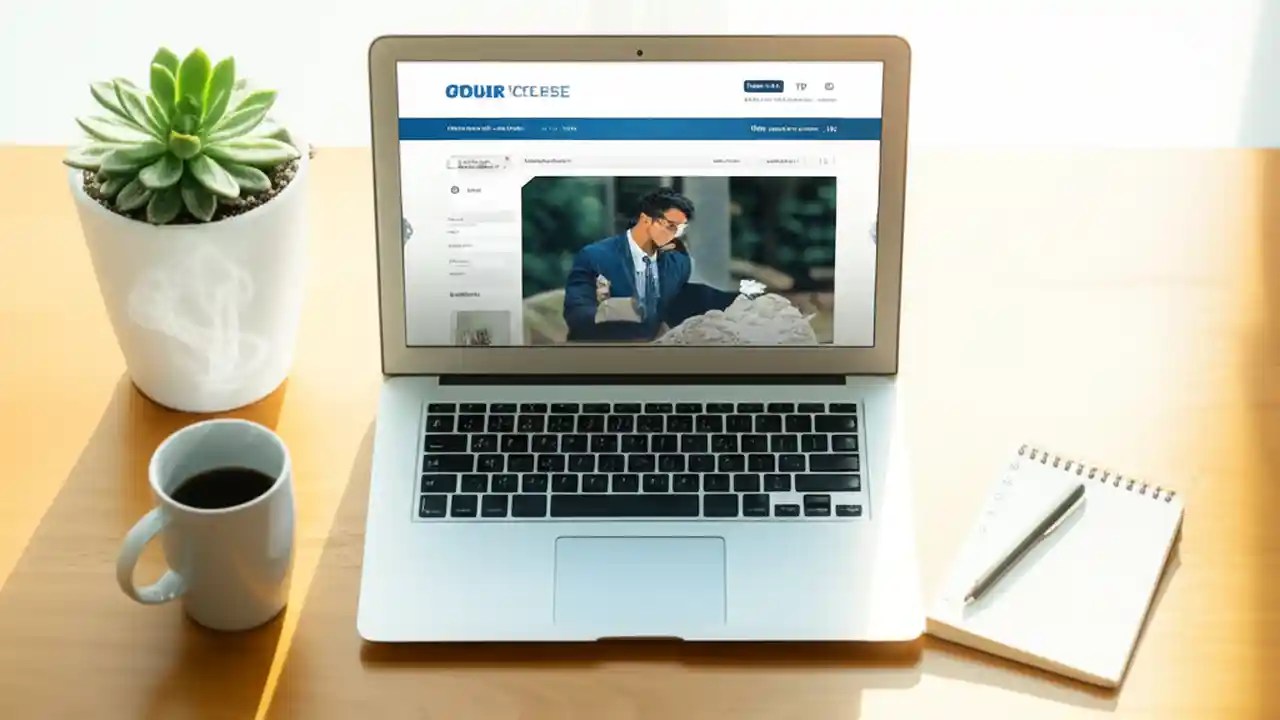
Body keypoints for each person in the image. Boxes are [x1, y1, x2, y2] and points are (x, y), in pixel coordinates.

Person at [562, 188, 697, 341]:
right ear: (646, 219)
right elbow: (575, 315)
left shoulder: (679, 263)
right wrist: (613, 310)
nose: (676, 235)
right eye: (671, 226)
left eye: (681, 229)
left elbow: (674, 312)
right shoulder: (595, 256)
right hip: (601, 353)